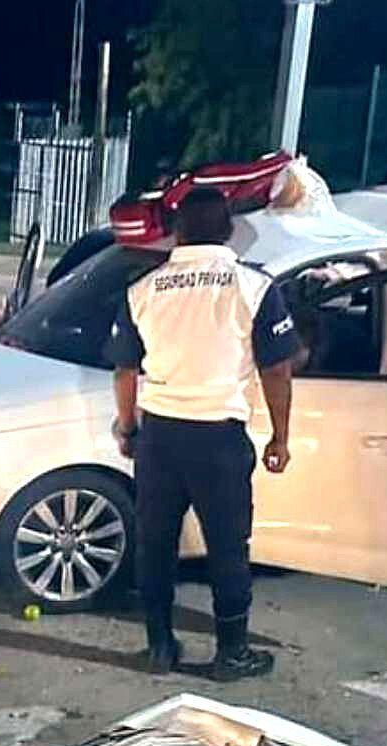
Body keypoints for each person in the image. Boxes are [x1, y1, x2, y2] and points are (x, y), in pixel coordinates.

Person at [105, 186, 301, 681]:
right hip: (218, 437)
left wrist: (128, 427)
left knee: (156, 544)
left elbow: (125, 371)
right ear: (229, 230)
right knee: (228, 548)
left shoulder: (143, 288)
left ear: (180, 232)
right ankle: (231, 654)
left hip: (160, 438)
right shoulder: (252, 287)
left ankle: (159, 647)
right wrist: (280, 436)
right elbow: (277, 371)